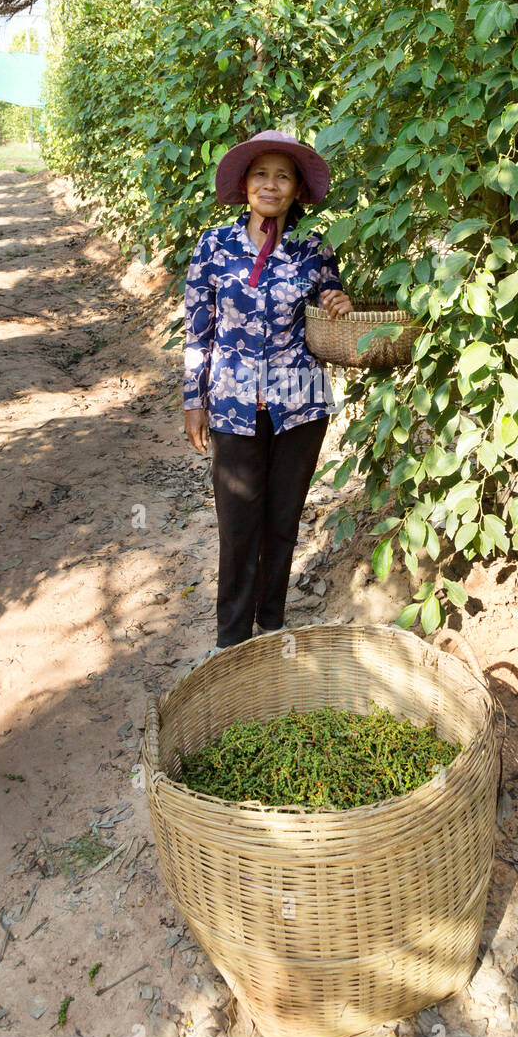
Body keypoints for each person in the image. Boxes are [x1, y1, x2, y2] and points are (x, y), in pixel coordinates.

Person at [183, 129, 353, 650]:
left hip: (298, 404)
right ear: (245, 184)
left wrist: (338, 302)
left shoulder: (312, 247)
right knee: (238, 528)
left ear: (297, 190)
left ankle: (271, 624)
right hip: (233, 404)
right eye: (262, 174)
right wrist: (195, 400)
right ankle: (231, 642)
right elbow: (198, 326)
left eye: (283, 176)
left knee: (281, 522)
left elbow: (330, 297)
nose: (271, 184)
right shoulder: (214, 245)